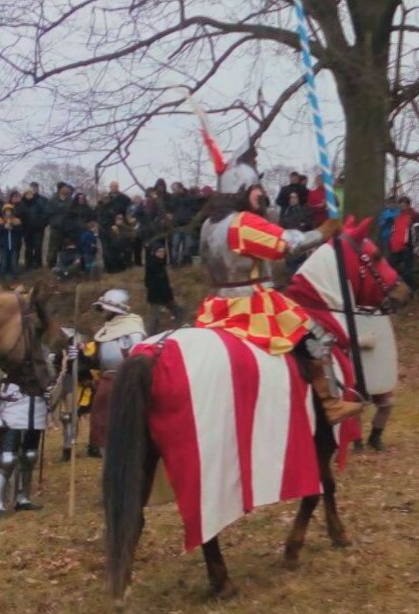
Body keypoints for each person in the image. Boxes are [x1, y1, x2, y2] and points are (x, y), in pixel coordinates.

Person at [195, 150, 360, 423]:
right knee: (316, 338)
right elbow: (286, 243)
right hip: (251, 303)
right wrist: (323, 232)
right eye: (257, 189)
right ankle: (331, 404)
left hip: (216, 305)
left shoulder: (207, 226)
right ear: (243, 190)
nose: (262, 195)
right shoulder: (242, 222)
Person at [86, 289, 146, 458]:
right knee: (102, 426)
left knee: (128, 428)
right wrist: (82, 357)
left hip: (126, 382)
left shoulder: (132, 329)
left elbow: (136, 357)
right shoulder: (109, 329)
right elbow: (99, 360)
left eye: (105, 308)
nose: (103, 312)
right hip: (106, 382)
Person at [0, 361, 46, 518]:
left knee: (30, 455)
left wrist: (68, 362)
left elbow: (51, 380)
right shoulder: (5, 355)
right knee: (7, 458)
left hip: (35, 408)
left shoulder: (40, 355)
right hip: (12, 409)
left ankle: (23, 498)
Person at [144, 238, 186, 334]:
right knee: (155, 319)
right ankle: (150, 336)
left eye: (163, 251)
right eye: (159, 251)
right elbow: (149, 282)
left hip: (165, 295)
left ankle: (177, 329)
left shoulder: (160, 264)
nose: (162, 253)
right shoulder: (152, 264)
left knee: (178, 311)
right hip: (156, 296)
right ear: (154, 252)